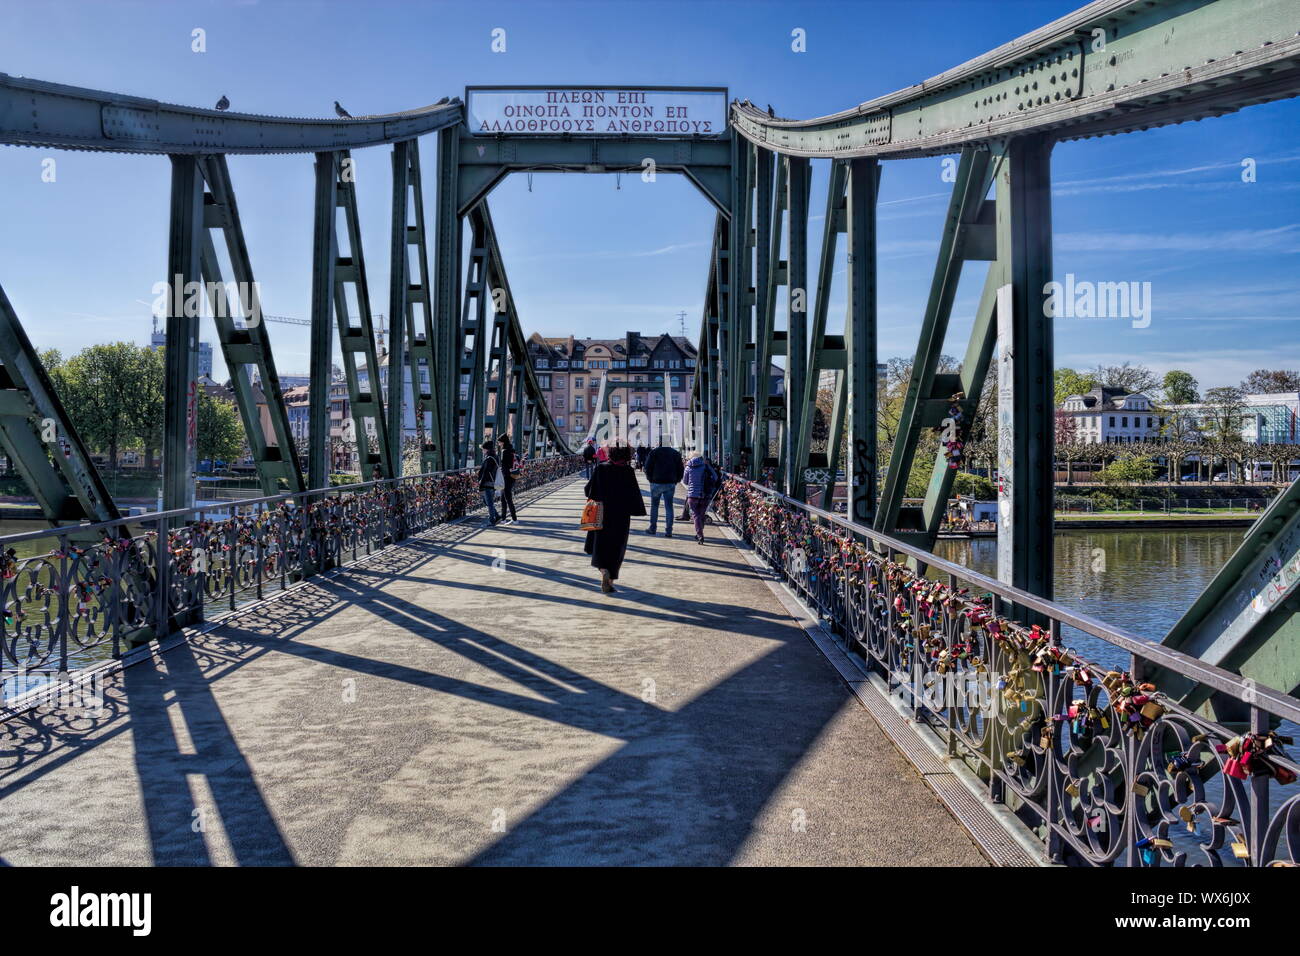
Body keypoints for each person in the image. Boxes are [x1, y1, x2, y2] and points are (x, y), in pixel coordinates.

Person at [583, 443, 646, 593]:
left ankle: (603, 570)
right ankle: (610, 582)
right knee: (617, 546)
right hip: (621, 515)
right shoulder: (628, 471)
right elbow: (634, 495)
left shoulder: (601, 469)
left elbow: (588, 491)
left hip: (601, 513)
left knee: (600, 544)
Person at [643, 440, 684, 537]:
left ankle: (653, 528)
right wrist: (676, 480)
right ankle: (668, 530)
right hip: (670, 483)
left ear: (660, 442)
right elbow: (680, 469)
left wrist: (650, 479)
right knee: (669, 506)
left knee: (654, 506)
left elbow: (647, 467)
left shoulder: (654, 452)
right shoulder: (675, 453)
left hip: (656, 482)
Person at [683, 452, 720, 544]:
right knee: (701, 515)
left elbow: (685, 481)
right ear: (700, 458)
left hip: (692, 495)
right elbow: (715, 477)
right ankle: (699, 533)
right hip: (705, 495)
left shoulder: (688, 467)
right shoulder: (705, 466)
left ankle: (700, 535)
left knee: (696, 516)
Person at [477, 439, 503, 526]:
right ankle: (497, 516)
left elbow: (485, 473)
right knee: (487, 501)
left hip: (487, 483)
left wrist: (480, 486)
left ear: (487, 449)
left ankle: (492, 520)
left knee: (489, 503)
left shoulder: (489, 459)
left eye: (483, 449)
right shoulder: (496, 457)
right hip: (493, 482)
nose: (482, 450)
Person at [497, 434, 520, 523]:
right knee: (503, 498)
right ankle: (503, 519)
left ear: (503, 442)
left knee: (508, 498)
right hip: (512, 476)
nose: (498, 444)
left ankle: (514, 519)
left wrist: (501, 475)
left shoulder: (504, 451)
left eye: (499, 442)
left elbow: (504, 466)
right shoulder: (512, 450)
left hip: (506, 477)